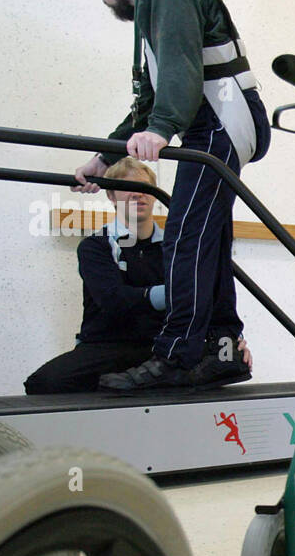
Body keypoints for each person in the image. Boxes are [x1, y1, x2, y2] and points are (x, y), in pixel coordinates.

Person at [71, 0, 270, 391]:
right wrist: (104, 158)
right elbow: (147, 101)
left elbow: (182, 68)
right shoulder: (152, 5)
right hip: (213, 118)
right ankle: (222, 348)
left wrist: (162, 128)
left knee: (183, 234)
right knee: (208, 236)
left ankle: (177, 355)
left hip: (222, 116)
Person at [25, 158, 251, 394]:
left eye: (144, 188)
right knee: (43, 383)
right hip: (107, 346)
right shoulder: (95, 245)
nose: (137, 195)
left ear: (153, 195)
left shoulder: (179, 249)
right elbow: (114, 300)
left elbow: (211, 298)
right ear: (111, 196)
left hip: (162, 347)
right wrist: (180, 292)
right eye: (127, 188)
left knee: (230, 362)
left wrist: (228, 344)